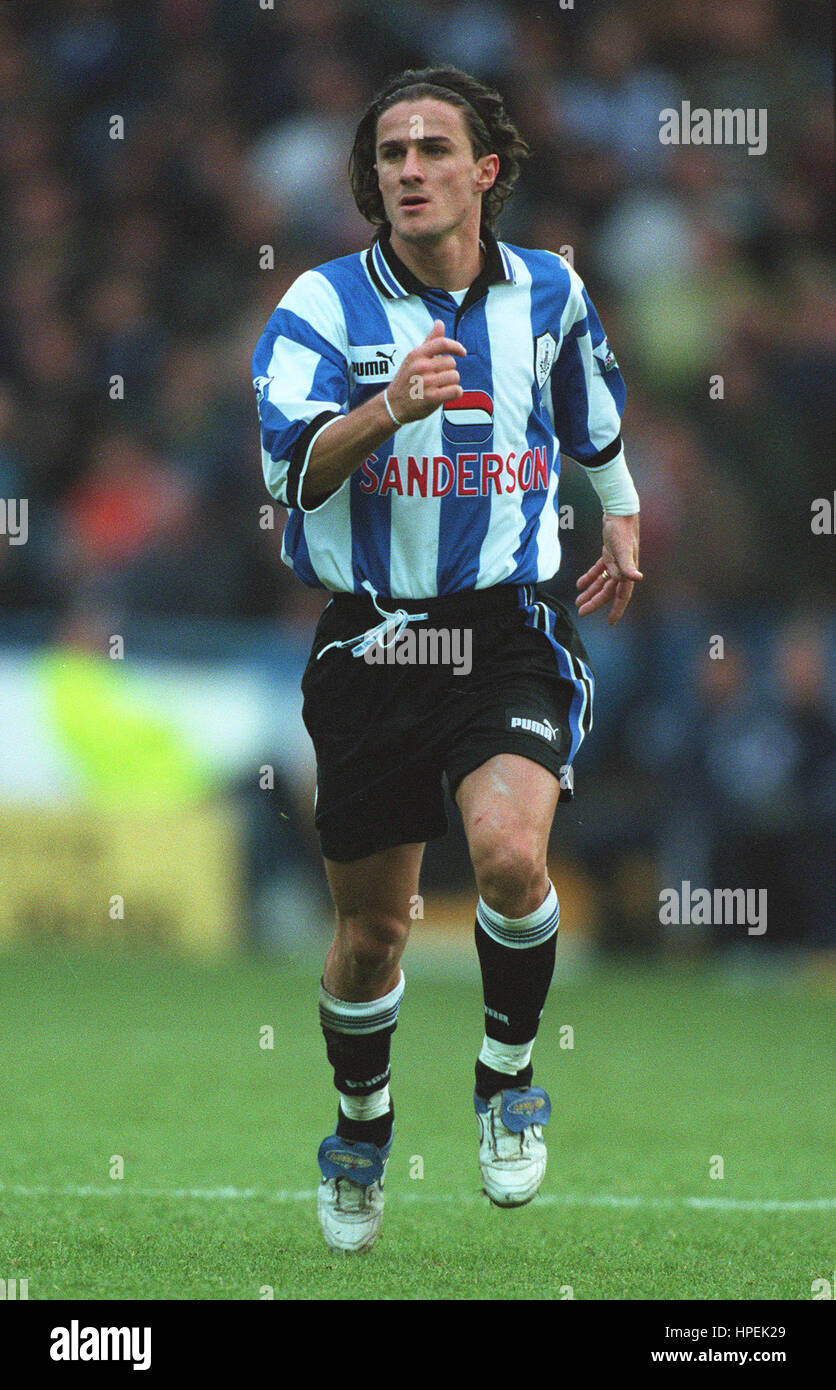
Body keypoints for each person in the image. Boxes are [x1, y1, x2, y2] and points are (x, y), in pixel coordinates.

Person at [253, 65, 642, 1253]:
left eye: (431, 150)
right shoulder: (319, 308)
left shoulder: (549, 290)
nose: (408, 170)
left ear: (484, 171)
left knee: (512, 856)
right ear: (370, 180)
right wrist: (385, 412)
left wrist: (619, 515)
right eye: (388, 155)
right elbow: (285, 471)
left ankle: (506, 1079)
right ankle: (360, 1129)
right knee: (371, 934)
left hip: (505, 627)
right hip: (371, 638)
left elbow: (590, 408)